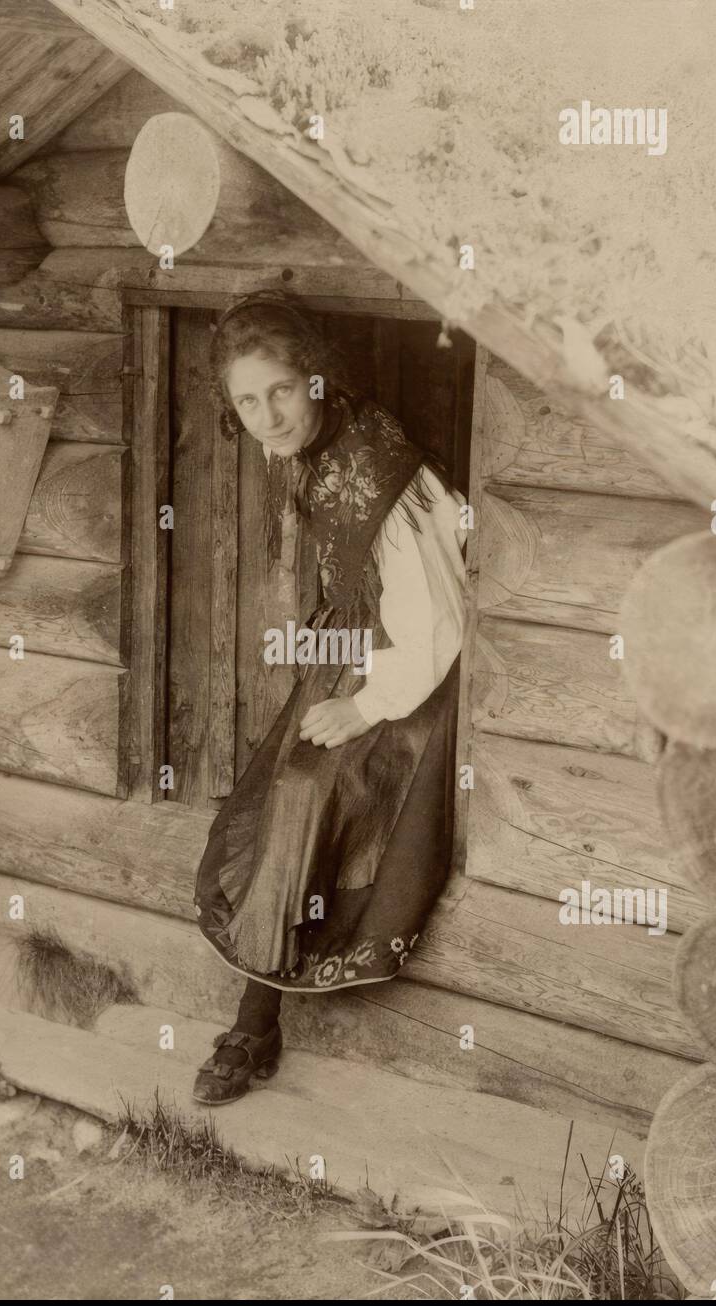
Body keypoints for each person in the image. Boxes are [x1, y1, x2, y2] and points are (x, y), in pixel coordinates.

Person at [192, 289, 467, 1104]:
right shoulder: (320, 437)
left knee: (309, 787)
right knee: (282, 778)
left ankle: (254, 1027)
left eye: (280, 390)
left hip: (414, 682)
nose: (268, 415)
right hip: (359, 650)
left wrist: (370, 704)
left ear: (316, 379)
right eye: (247, 401)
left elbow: (439, 621)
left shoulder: (386, 474)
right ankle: (256, 1014)